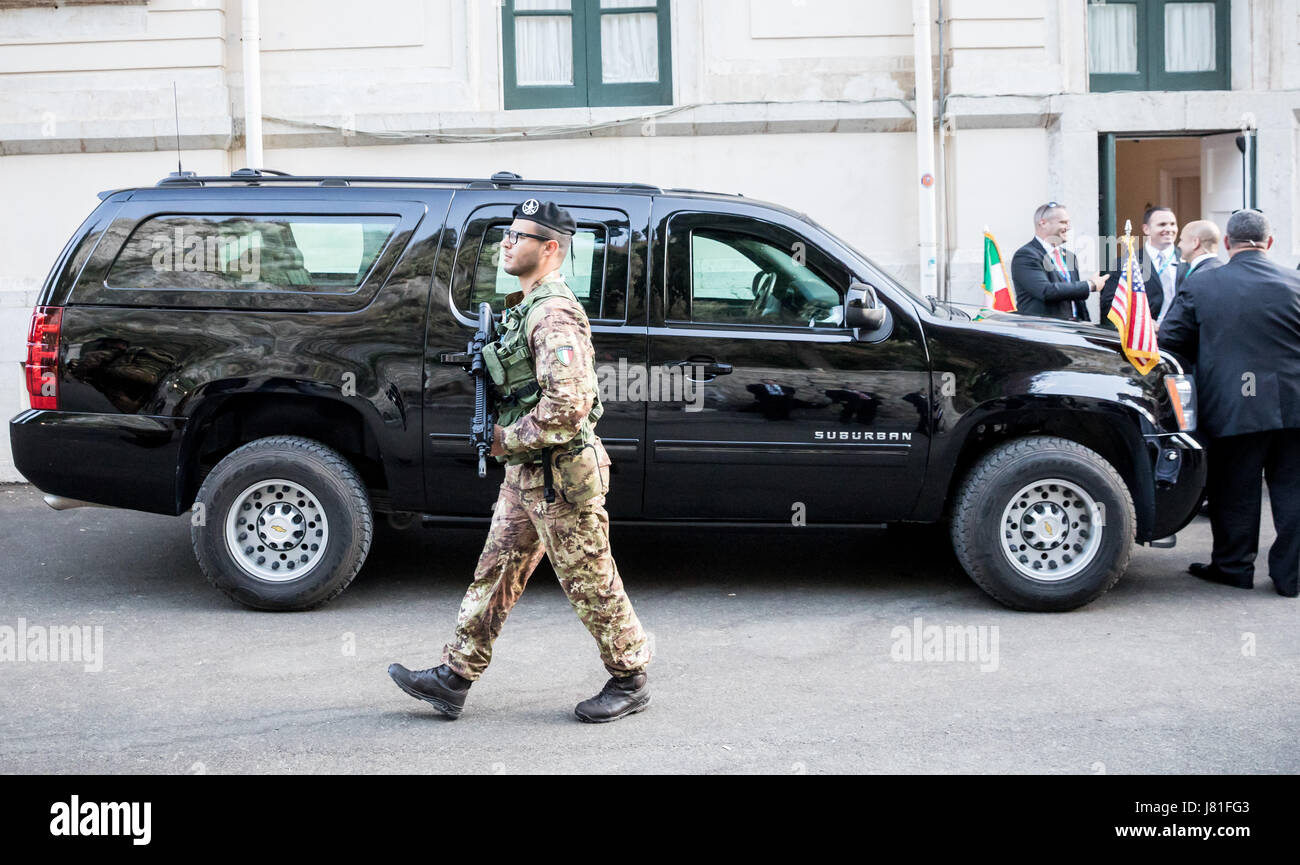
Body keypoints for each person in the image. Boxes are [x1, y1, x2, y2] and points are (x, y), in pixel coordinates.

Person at [389, 199, 654, 719]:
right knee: (496, 571)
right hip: (528, 476)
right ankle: (454, 676)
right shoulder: (525, 306)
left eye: (520, 237)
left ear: (550, 248)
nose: (506, 243)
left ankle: (630, 678)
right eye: (506, 235)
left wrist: (503, 440)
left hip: (560, 479)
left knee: (589, 578)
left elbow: (569, 408)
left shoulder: (553, 315)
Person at [1159, 209, 1300, 598]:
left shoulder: (1205, 285)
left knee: (1234, 488)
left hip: (1234, 403)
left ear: (1227, 243)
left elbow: (1170, 342)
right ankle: (1292, 576)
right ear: (1268, 243)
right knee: (1293, 491)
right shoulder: (1295, 282)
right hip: (1294, 404)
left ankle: (1234, 567)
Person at [1011, 202, 1106, 320]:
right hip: (1044, 333)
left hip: (1075, 331)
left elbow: (1078, 302)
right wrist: (1089, 285)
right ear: (1043, 223)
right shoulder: (1026, 255)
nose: (1068, 227)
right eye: (1063, 222)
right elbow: (1046, 291)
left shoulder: (1069, 257)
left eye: (1068, 222)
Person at [1100, 205, 1184, 325]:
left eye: (1172, 224)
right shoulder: (1126, 262)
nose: (1169, 229)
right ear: (1146, 229)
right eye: (1162, 224)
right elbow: (1110, 304)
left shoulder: (1188, 260)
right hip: (1143, 336)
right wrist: (1140, 323)